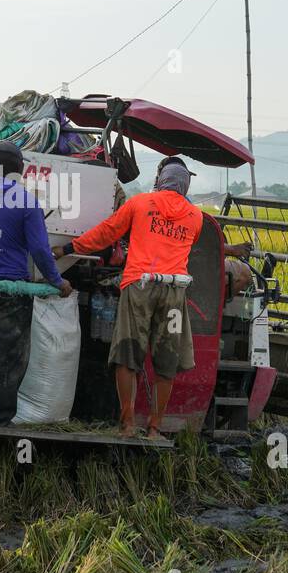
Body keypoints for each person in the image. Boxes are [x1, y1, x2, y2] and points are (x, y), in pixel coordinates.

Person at [54, 156, 202, 439]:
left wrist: (70, 247)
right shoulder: (195, 217)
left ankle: (127, 424)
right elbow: (189, 242)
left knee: (128, 355)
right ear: (184, 184)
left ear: (161, 180)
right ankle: (155, 428)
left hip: (140, 288)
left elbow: (107, 233)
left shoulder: (140, 203)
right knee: (167, 359)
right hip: (174, 294)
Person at [0, 141, 72, 426]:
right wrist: (58, 282)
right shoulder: (26, 202)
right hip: (12, 292)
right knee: (6, 357)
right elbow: (41, 252)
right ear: (19, 170)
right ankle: (0, 422)